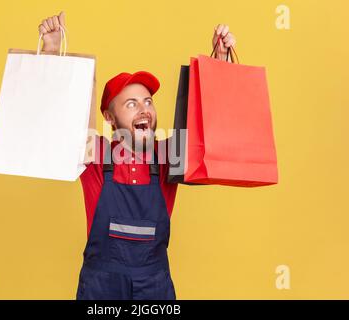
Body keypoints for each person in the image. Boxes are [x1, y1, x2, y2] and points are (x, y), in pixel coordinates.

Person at [38, 11, 237, 300]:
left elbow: (211, 135)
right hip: (100, 289)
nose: (144, 109)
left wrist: (220, 63)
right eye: (131, 104)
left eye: (148, 102)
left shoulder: (169, 154)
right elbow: (56, 121)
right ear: (109, 116)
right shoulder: (95, 155)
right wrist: (52, 53)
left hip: (154, 287)